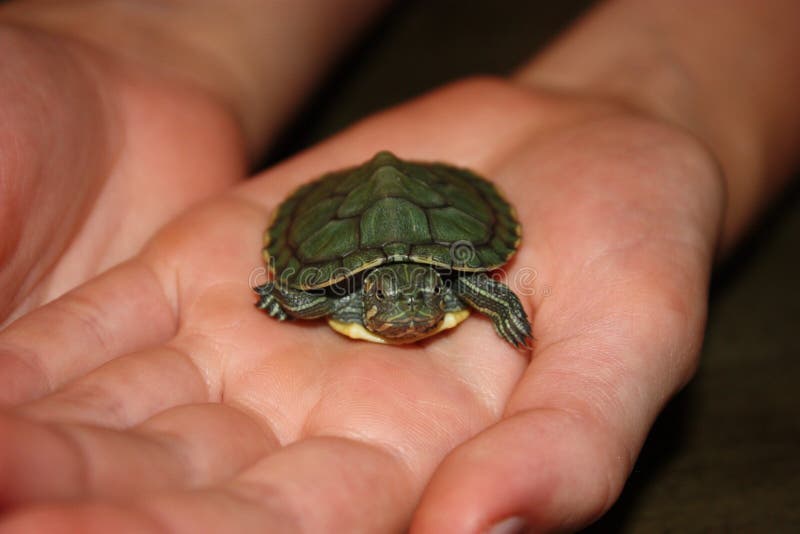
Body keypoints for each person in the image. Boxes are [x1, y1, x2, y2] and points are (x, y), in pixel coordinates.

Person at [0, 0, 797, 532]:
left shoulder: (451, 284)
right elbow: (305, 285)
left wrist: (509, 311)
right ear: (370, 300)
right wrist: (124, 39)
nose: (411, 303)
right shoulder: (344, 292)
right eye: (394, 296)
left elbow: (479, 285)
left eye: (423, 292)